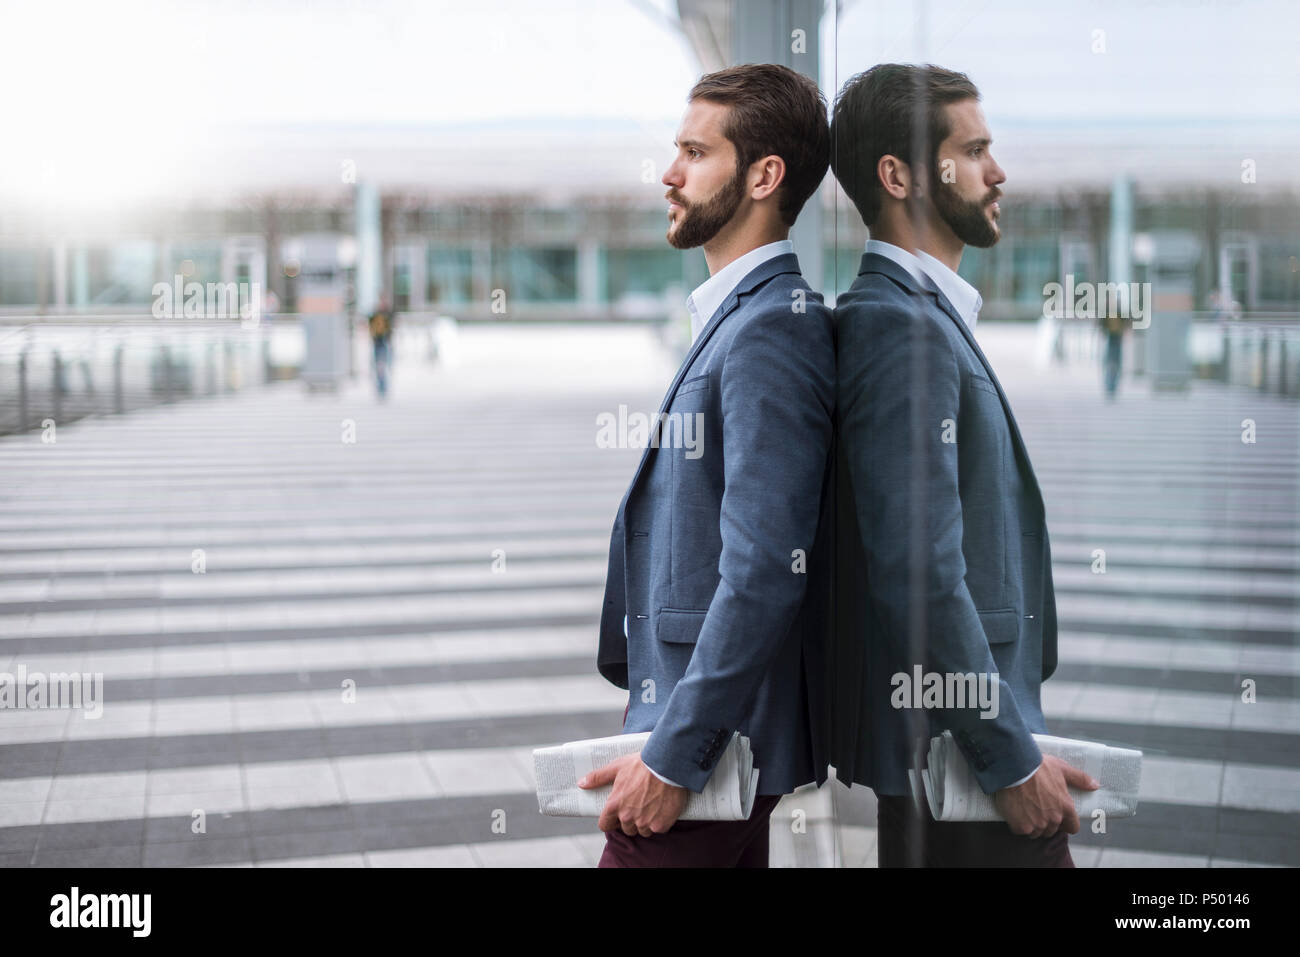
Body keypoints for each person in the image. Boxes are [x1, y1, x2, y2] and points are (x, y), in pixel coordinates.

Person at [828, 63, 1097, 867]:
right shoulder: (899, 329)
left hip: (958, 755)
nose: (998, 171)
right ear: (900, 173)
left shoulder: (919, 316)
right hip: (958, 766)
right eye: (976, 150)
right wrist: (1008, 756)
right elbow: (917, 568)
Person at [578, 63, 835, 867]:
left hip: (714, 750)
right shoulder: (743, 319)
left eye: (694, 152)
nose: (670, 172)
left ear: (764, 175)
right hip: (718, 741)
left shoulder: (770, 331)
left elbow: (764, 567)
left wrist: (672, 757)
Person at [368, 295, 396, 399]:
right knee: (379, 367)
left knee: (382, 366)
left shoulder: (387, 314)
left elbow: (390, 327)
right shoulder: (376, 314)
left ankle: (383, 387)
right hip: (378, 343)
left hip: (384, 343)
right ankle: (381, 387)